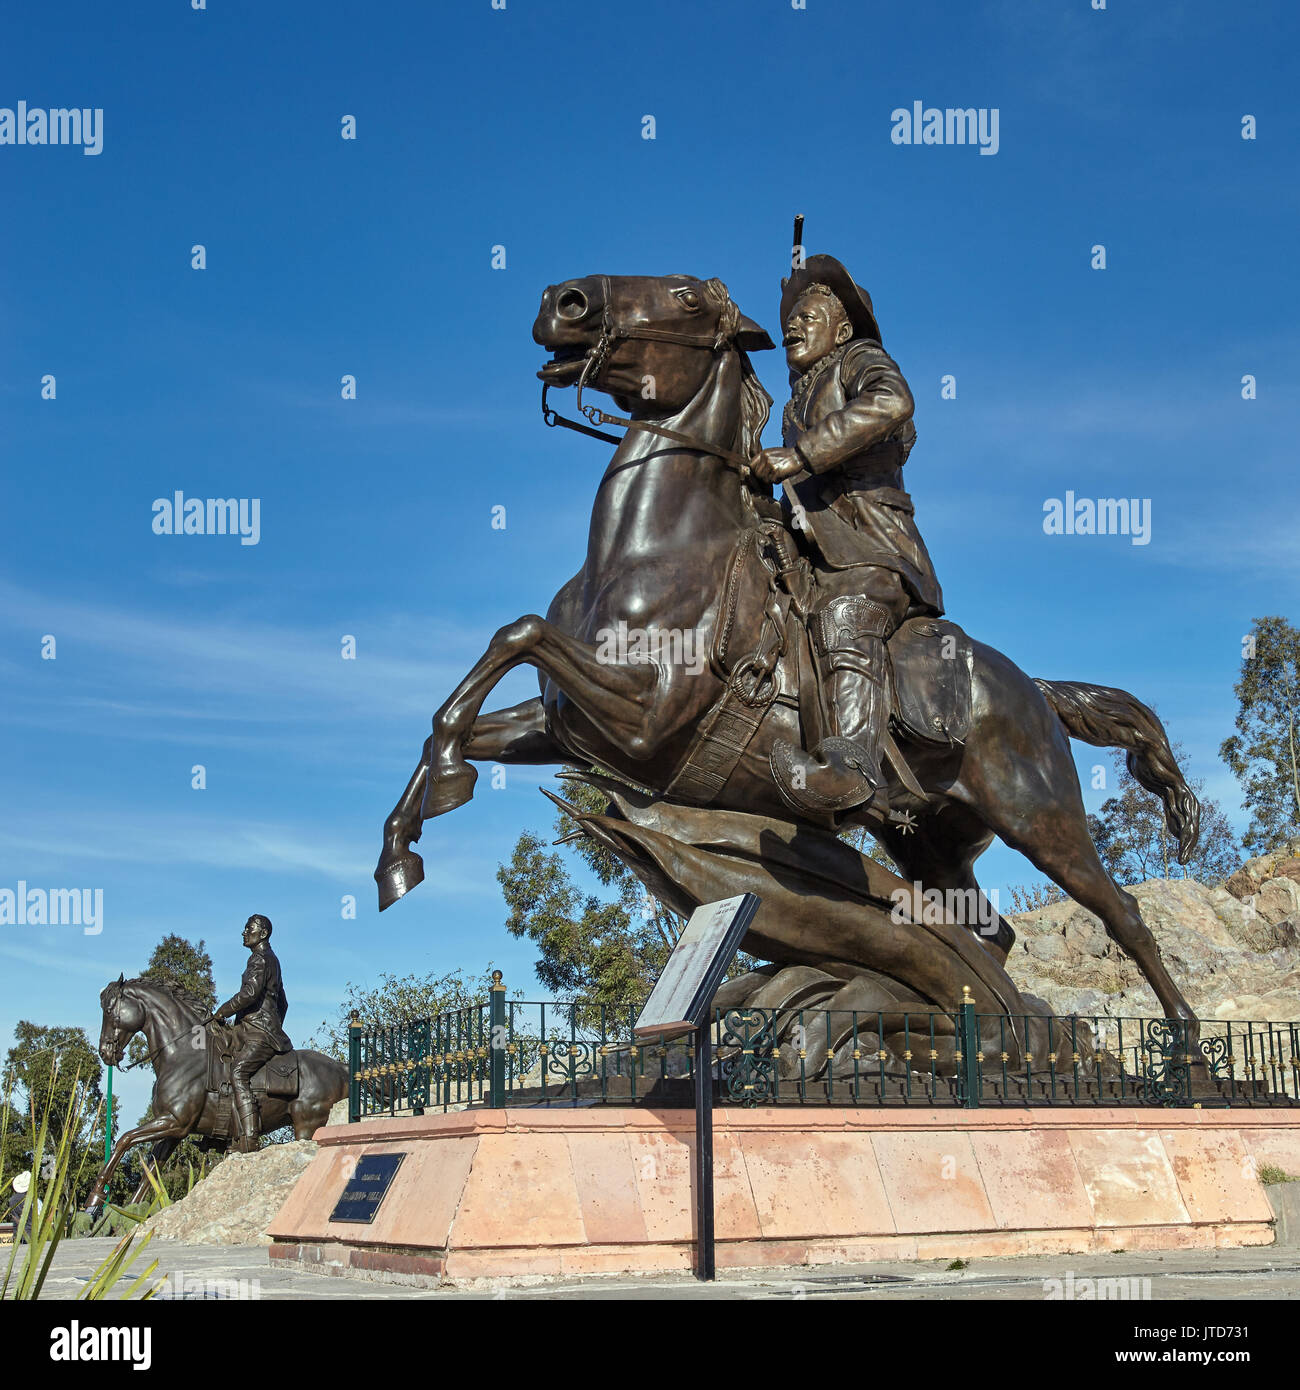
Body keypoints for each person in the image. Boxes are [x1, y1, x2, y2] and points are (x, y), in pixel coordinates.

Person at [750, 253, 944, 817]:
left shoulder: (860, 359)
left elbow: (892, 402)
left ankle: (852, 767)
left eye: (807, 315)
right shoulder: (791, 404)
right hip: (814, 552)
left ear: (841, 328)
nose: (793, 325)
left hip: (872, 547)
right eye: (791, 319)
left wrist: (800, 454)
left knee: (845, 614)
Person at [205, 914, 291, 1152]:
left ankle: (250, 1139)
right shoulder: (269, 959)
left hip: (259, 1031)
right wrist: (276, 1025)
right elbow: (283, 1002)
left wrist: (221, 1011)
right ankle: (221, 1130)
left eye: (248, 928)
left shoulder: (261, 959)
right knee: (216, 1061)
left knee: (238, 1072)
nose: (244, 932)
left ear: (262, 933)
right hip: (252, 1029)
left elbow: (250, 993)